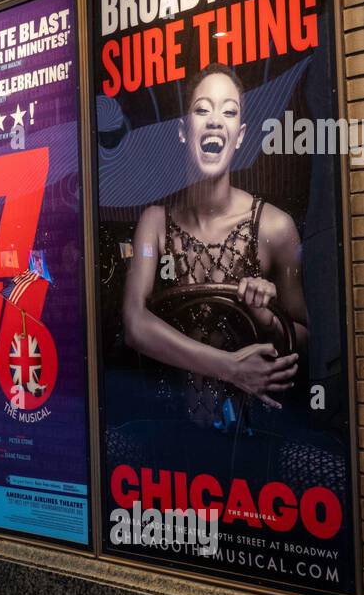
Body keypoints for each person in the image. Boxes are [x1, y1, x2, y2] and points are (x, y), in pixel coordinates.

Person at [121, 63, 307, 429]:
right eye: (202, 109)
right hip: (169, 432)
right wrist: (229, 368)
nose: (215, 120)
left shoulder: (275, 226)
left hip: (252, 436)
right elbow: (133, 324)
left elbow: (304, 339)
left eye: (229, 111)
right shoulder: (155, 224)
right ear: (182, 130)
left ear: (240, 136)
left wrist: (266, 318)